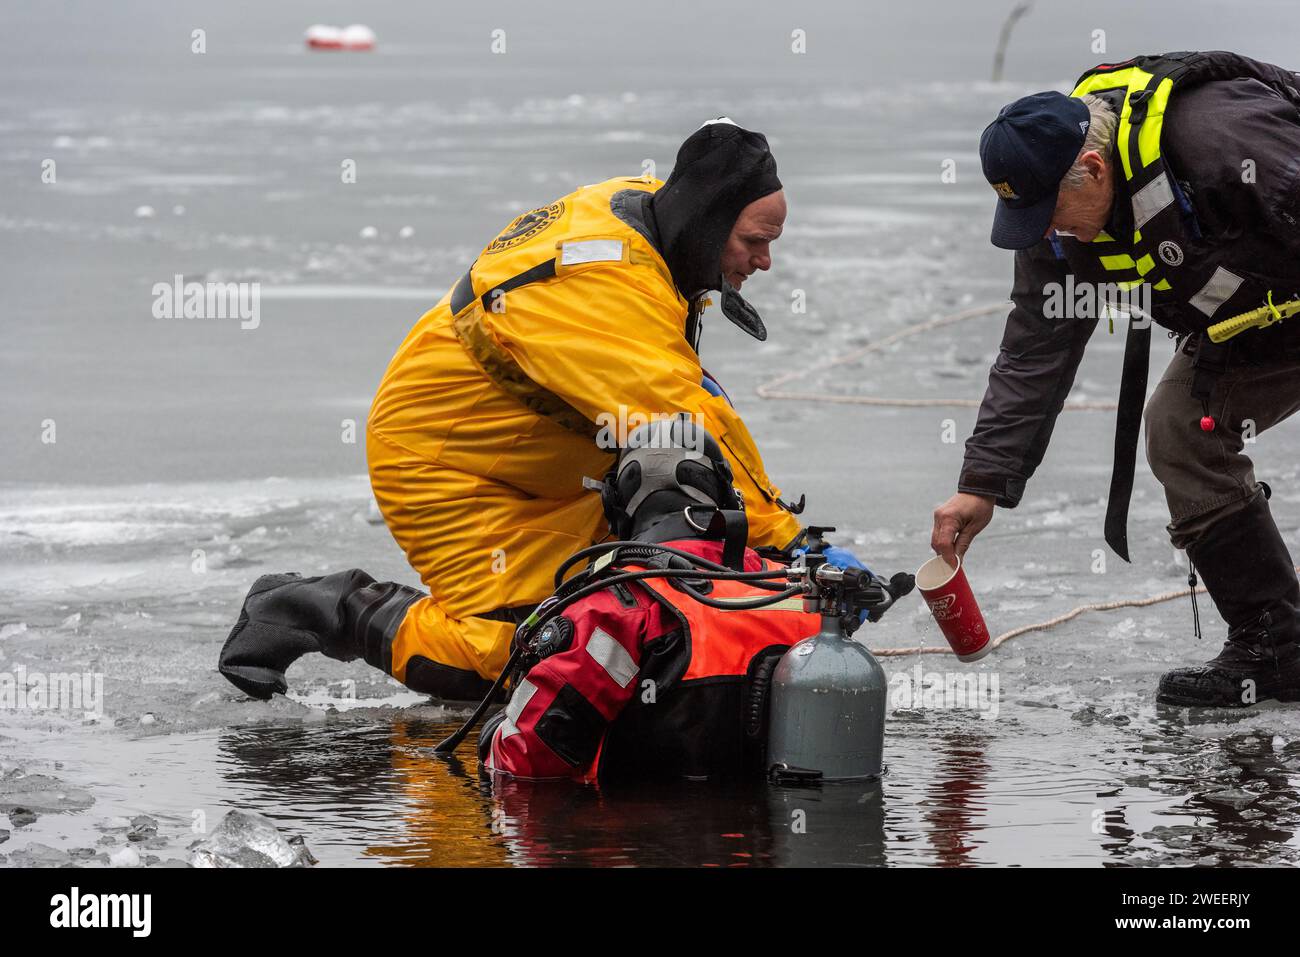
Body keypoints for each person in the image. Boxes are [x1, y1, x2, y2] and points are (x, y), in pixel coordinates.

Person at [220, 119, 868, 703]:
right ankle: (315, 608)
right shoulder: (602, 282)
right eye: (755, 241)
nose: (765, 261)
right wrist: (793, 545)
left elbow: (687, 398)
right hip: (450, 460)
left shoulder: (660, 218)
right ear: (707, 220)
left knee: (637, 597)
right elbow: (682, 418)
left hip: (554, 463)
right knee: (521, 660)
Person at [930, 52, 1300, 707]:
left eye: (1050, 213)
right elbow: (1035, 348)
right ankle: (1278, 650)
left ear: (1095, 169)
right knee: (1180, 431)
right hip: (1258, 319)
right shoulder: (1056, 211)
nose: (1046, 232)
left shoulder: (1224, 143)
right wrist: (982, 483)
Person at [478, 416, 901, 782]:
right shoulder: (798, 595)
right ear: (728, 499)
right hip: (784, 836)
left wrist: (493, 731)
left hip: (648, 837)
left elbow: (526, 761)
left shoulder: (616, 606)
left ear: (616, 508)